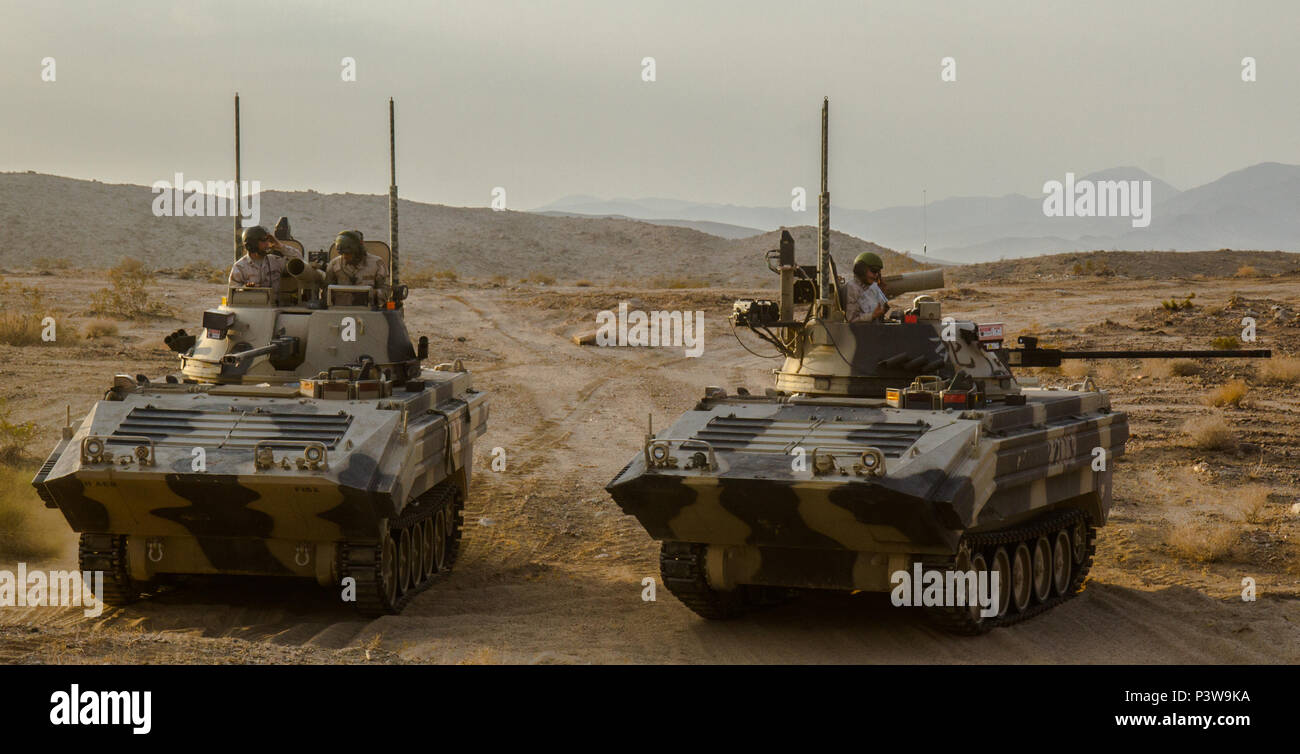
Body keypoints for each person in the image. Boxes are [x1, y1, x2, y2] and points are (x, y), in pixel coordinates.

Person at [325, 230, 389, 306]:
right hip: (340, 311)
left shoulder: (377, 263)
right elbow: (326, 291)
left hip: (369, 311)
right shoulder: (334, 264)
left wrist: (374, 293)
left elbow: (387, 291)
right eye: (342, 254)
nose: (345, 257)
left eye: (348, 253)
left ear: (358, 251)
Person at [229, 225, 301, 289]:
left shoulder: (275, 261)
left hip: (274, 303)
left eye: (268, 240)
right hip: (251, 303)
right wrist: (245, 289)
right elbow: (233, 291)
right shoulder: (240, 267)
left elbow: (299, 262)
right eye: (263, 241)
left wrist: (281, 247)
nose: (267, 244)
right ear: (252, 244)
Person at [844, 251, 889, 323]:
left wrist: (882, 293)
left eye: (878, 272)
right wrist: (872, 316)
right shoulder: (853, 288)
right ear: (861, 270)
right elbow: (851, 319)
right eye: (874, 271)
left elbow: (881, 311)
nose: (876, 275)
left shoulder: (873, 286)